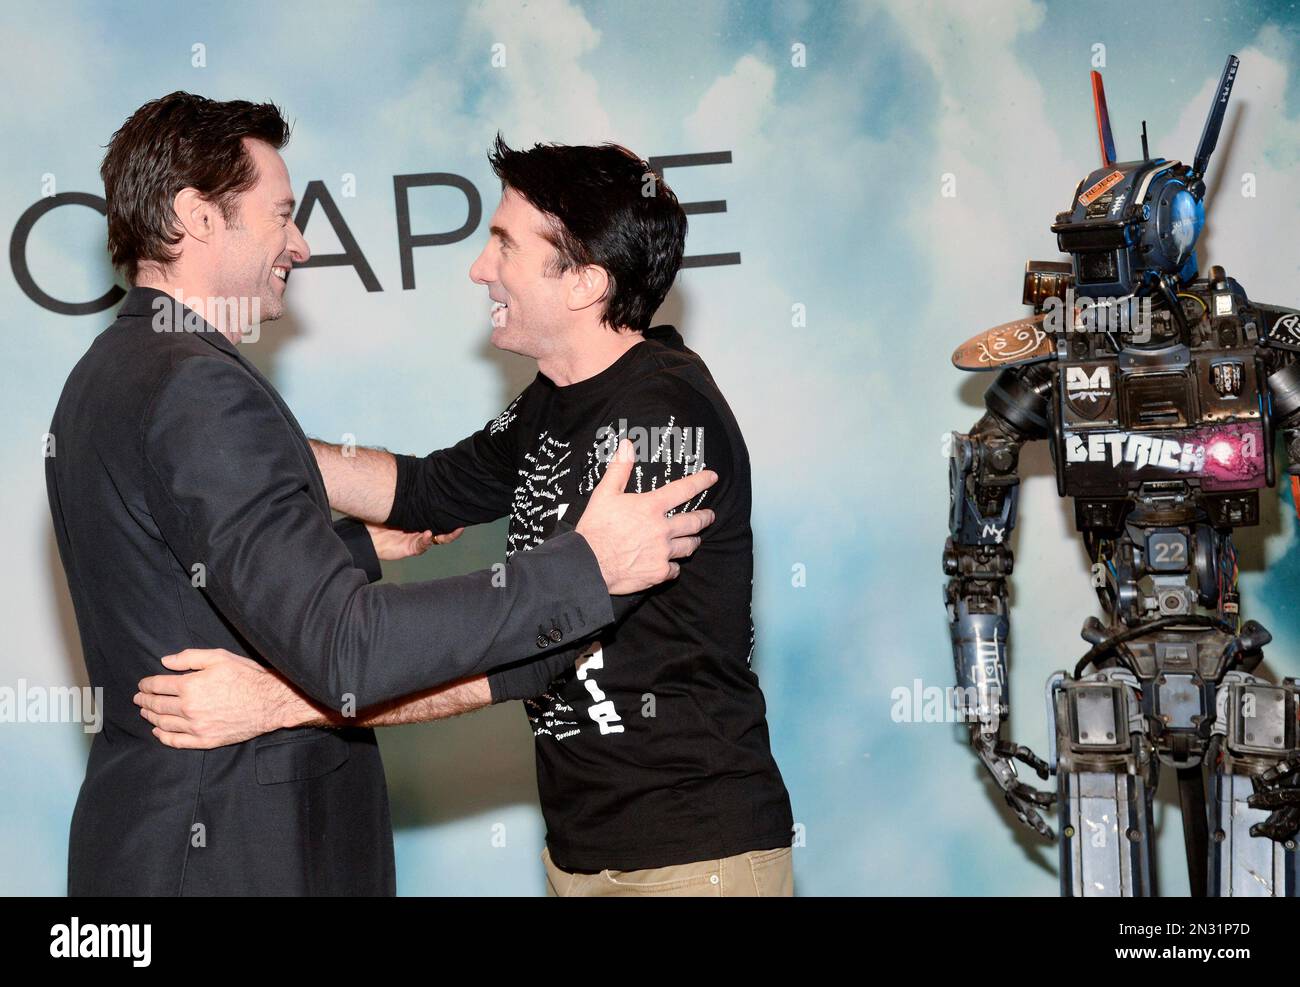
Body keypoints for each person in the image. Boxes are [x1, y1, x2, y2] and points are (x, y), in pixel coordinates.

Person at [47, 94, 715, 896]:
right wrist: (587, 566)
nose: (299, 242)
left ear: (584, 279)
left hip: (166, 842)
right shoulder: (198, 390)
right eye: (282, 216)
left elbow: (223, 550)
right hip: (231, 849)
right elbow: (348, 646)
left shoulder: (111, 371)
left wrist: (350, 547)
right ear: (196, 216)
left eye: (503, 241)